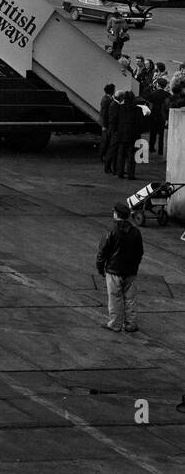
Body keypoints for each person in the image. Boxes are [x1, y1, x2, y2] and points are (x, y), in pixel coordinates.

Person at [96, 202, 144, 332]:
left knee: (115, 298)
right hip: (131, 271)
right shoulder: (135, 232)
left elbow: (102, 252)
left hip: (114, 270)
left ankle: (115, 324)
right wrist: (134, 266)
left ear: (116, 214)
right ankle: (131, 324)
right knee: (131, 299)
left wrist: (100, 268)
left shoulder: (111, 231)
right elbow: (140, 252)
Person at [112, 89, 145, 180]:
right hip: (133, 135)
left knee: (121, 154)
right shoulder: (138, 109)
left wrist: (116, 131)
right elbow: (141, 123)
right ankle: (131, 174)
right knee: (131, 155)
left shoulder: (119, 108)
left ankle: (120, 172)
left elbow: (114, 121)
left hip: (121, 134)